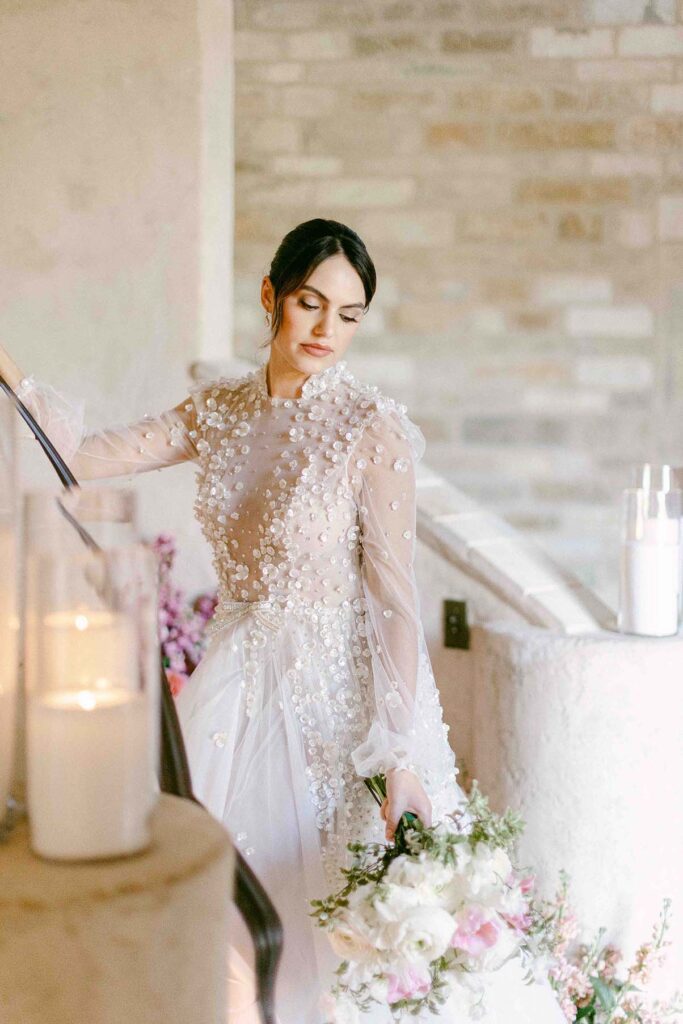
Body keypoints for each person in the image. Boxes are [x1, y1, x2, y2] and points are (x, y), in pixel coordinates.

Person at [0, 218, 565, 1023]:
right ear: (270, 296)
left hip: (335, 697)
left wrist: (398, 753)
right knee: (209, 904)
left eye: (348, 314)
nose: (327, 331)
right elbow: (81, 457)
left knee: (333, 926)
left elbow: (395, 602)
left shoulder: (370, 428)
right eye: (310, 304)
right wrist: (13, 374)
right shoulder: (217, 412)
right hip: (235, 679)